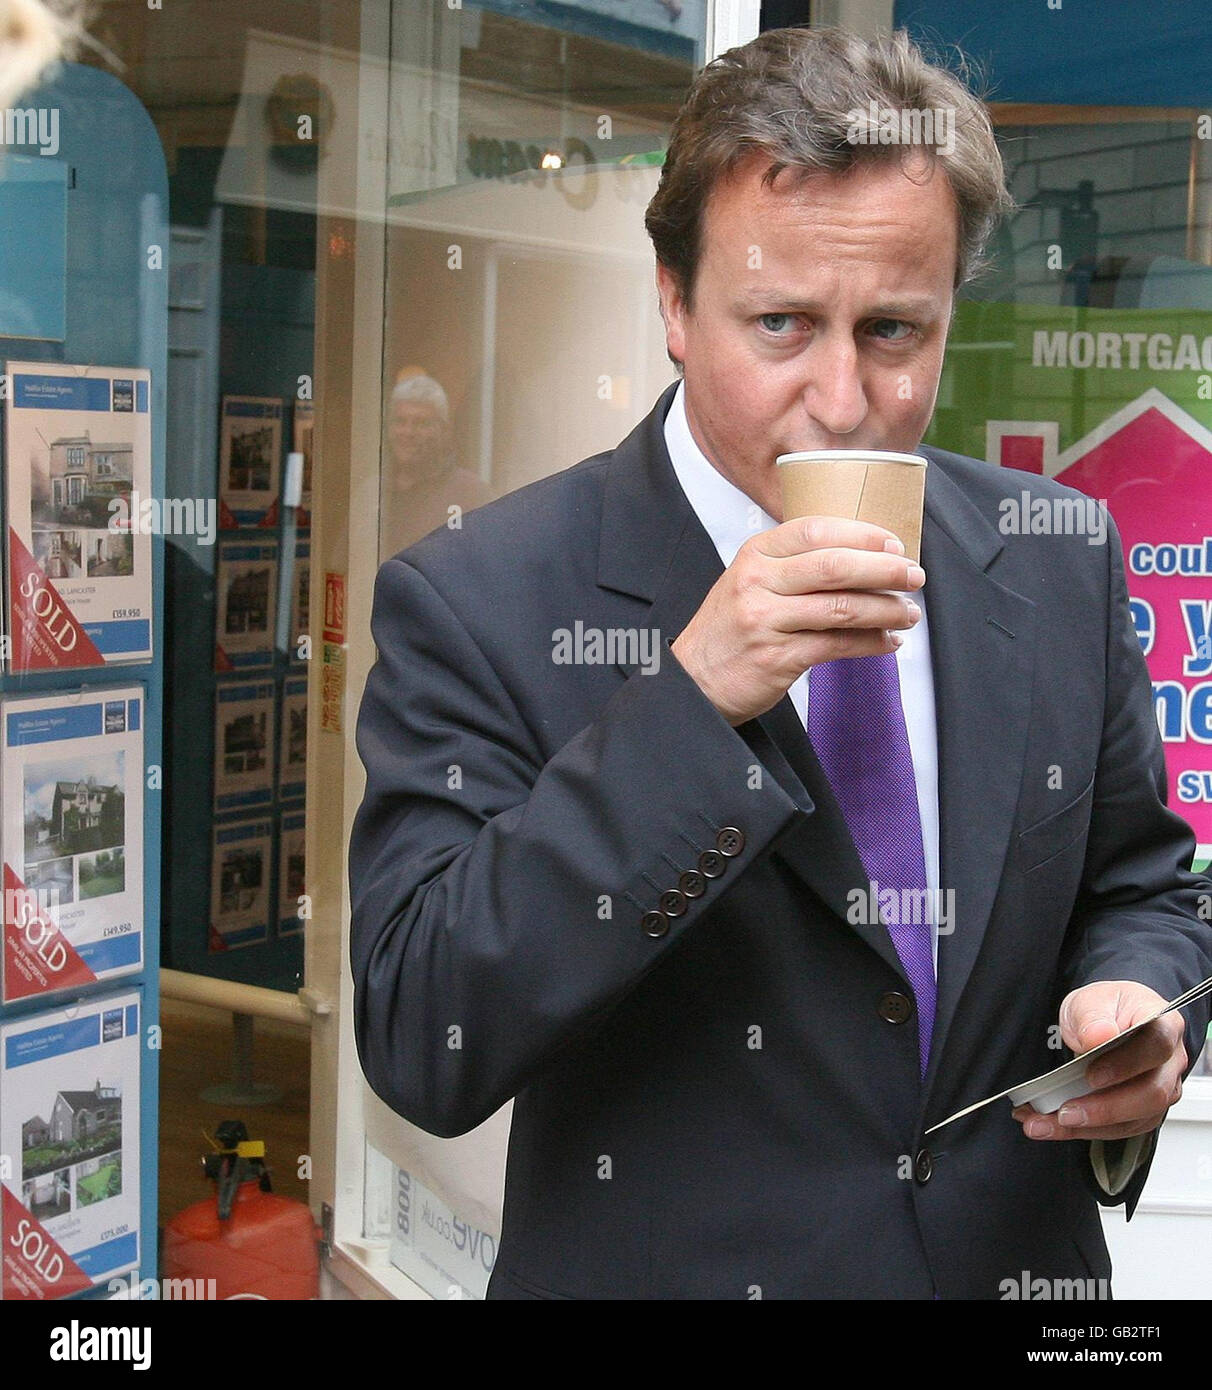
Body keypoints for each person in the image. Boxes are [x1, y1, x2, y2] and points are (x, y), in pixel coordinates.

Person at [348, 26, 1212, 1298]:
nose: (845, 397)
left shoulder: (1054, 554)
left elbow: (1144, 885)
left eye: (896, 331)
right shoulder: (481, 594)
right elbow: (427, 1036)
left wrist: (1138, 1009)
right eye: (783, 324)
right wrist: (691, 706)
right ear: (673, 304)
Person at [378, 370, 493, 554]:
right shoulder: (372, 492)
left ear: (445, 430)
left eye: (421, 423)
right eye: (400, 421)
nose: (408, 433)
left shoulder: (472, 494)